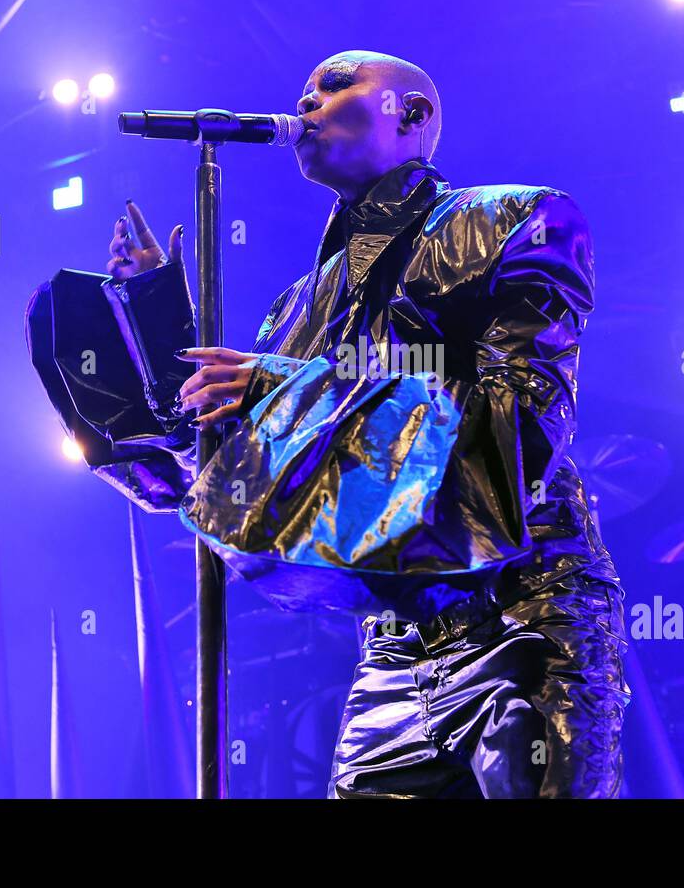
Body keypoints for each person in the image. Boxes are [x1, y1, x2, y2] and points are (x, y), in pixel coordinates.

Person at [105, 50, 630, 798]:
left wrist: (278, 385)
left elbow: (513, 429)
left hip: (523, 615)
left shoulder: (514, 221)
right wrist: (156, 325)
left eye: (334, 83)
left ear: (411, 115)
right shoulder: (297, 309)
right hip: (391, 654)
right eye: (304, 91)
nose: (307, 100)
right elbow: (221, 475)